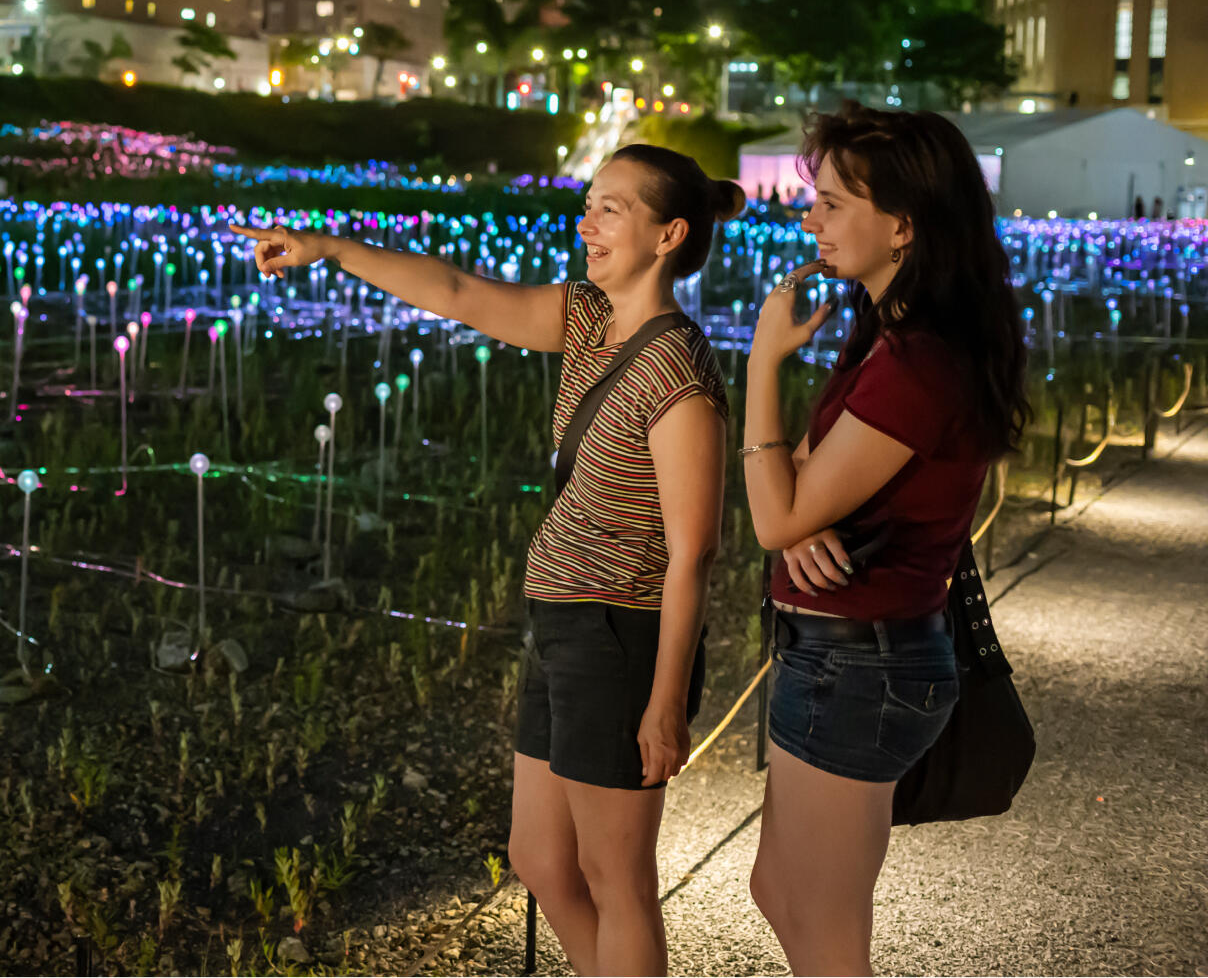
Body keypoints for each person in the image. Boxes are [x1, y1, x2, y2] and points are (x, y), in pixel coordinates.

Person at [235, 144, 746, 975]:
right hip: (562, 623)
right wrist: (330, 247)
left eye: (611, 208)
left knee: (617, 878)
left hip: (623, 635)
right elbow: (458, 293)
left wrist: (664, 703)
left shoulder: (677, 369)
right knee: (541, 859)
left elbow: (695, 553)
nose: (588, 223)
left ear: (668, 234)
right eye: (589, 204)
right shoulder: (588, 319)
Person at [741, 103, 1030, 975]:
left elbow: (773, 511)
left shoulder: (917, 364)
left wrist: (762, 365)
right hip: (834, 656)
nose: (809, 221)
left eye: (831, 203)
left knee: (829, 937)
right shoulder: (884, 338)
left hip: (861, 667)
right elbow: (796, 482)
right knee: (777, 892)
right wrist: (799, 517)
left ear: (903, 225)